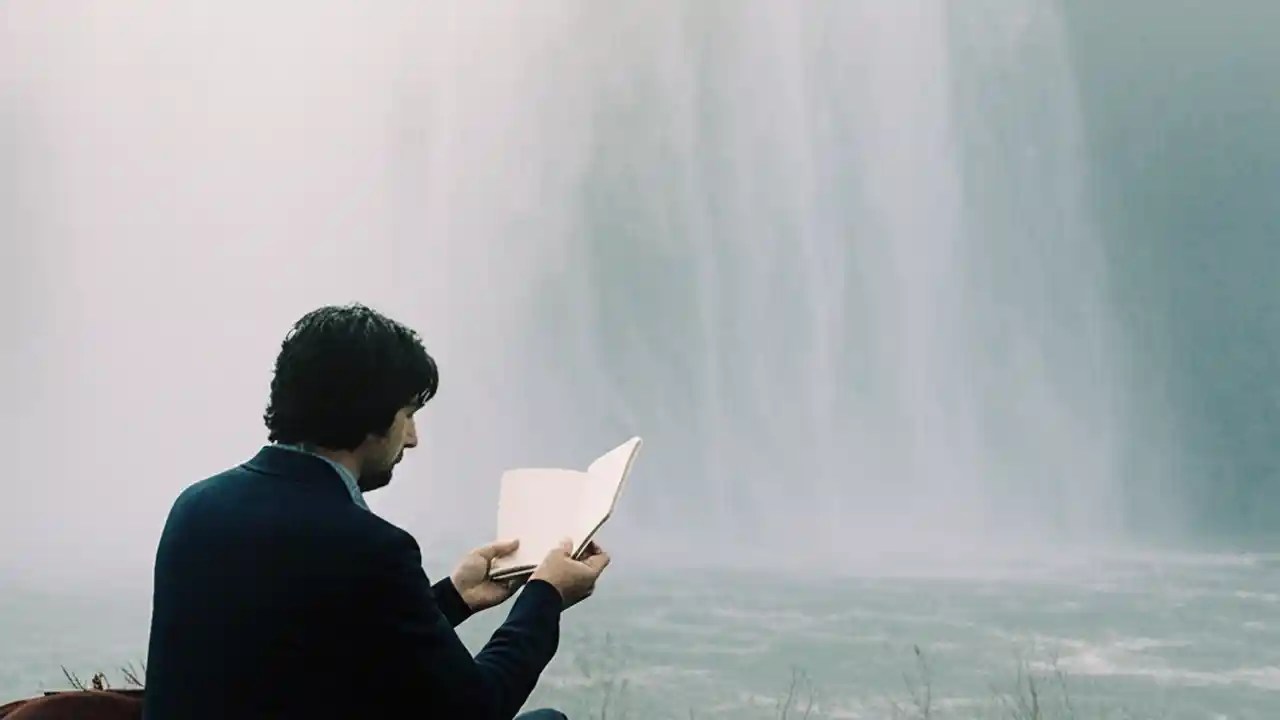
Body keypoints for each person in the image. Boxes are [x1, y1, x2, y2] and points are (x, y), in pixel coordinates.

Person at [141, 303, 609, 720]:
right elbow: (478, 706)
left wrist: (456, 596)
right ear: (370, 417)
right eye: (408, 414)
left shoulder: (195, 508)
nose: (412, 437)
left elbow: (331, 645)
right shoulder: (367, 545)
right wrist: (546, 595)